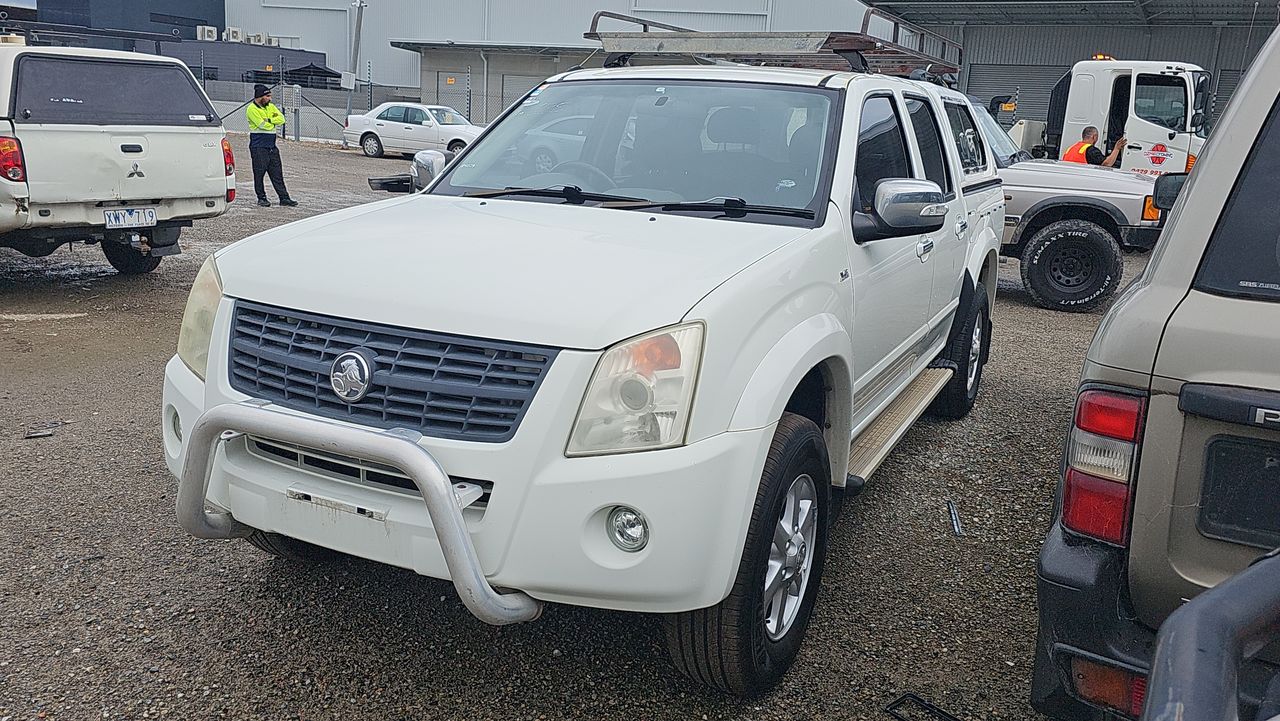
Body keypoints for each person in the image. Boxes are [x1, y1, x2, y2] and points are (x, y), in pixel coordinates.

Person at [245, 84, 298, 207]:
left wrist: (269, 120)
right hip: (259, 146)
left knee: (277, 173)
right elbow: (262, 125)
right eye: (267, 96)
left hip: (271, 146)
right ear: (260, 96)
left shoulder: (271, 107)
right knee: (259, 173)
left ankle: (284, 198)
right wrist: (271, 121)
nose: (270, 98)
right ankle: (261, 197)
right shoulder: (252, 109)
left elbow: (282, 119)